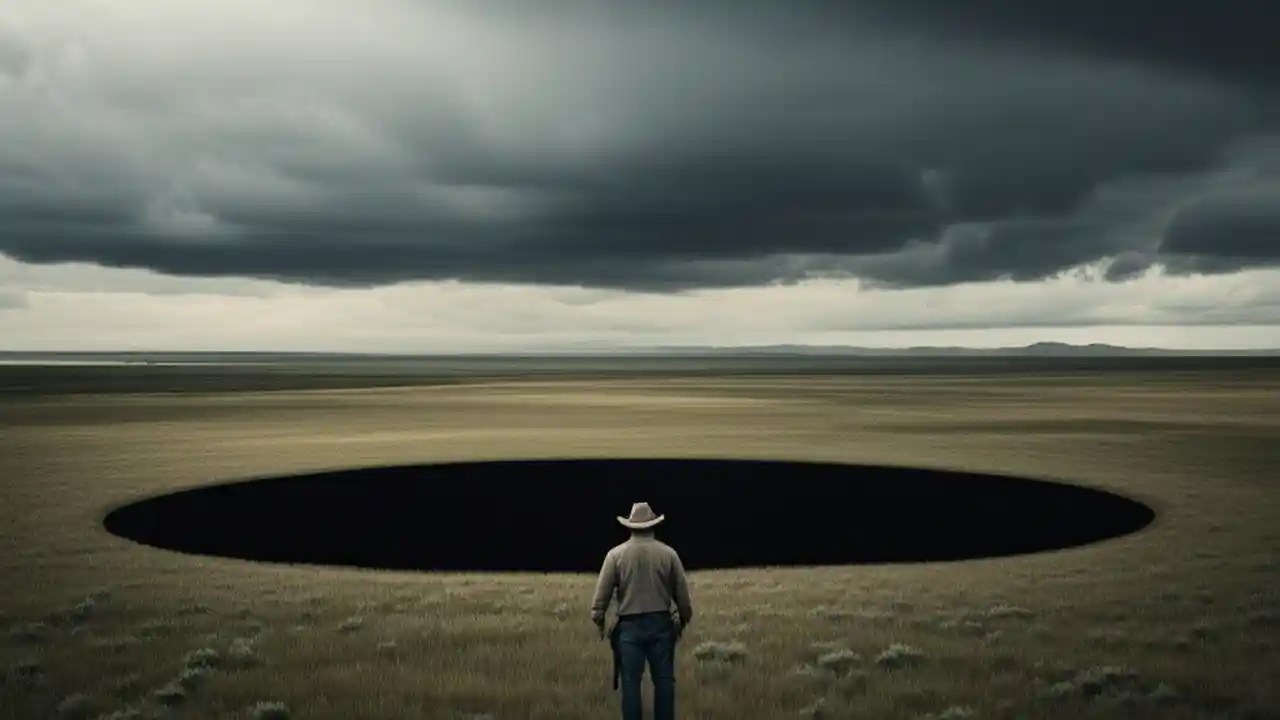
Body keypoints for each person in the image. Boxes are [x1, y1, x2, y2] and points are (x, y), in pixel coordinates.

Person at [590, 501, 694, 720]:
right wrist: (681, 622)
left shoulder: (615, 556)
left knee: (630, 684)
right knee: (664, 683)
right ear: (653, 526)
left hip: (629, 629)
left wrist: (601, 624)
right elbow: (683, 599)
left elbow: (600, 601)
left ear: (630, 527)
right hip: (661, 625)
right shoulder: (669, 554)